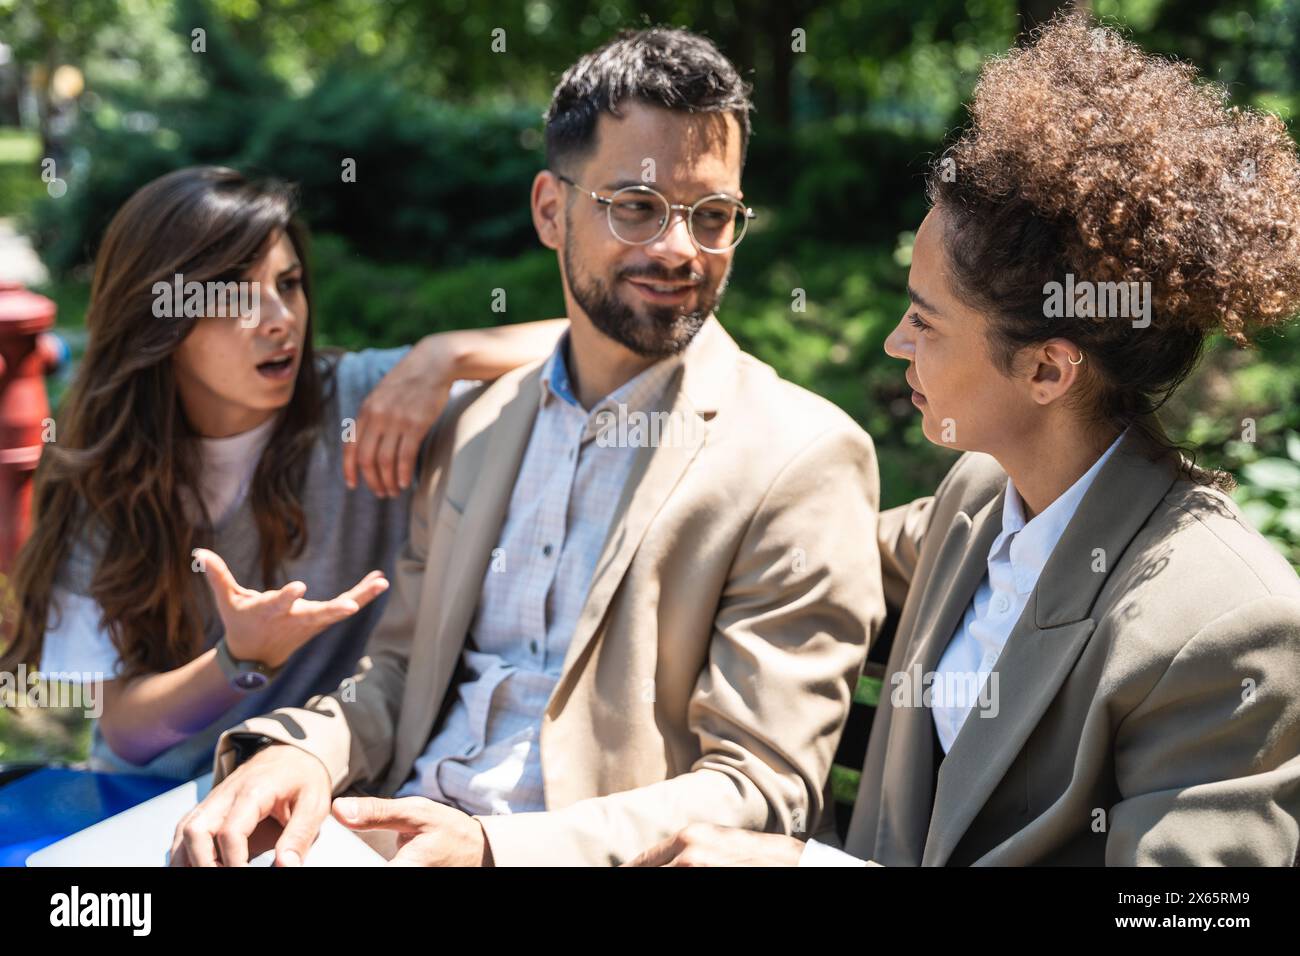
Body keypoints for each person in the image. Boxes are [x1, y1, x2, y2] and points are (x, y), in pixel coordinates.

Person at [169, 27, 885, 867]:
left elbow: (759, 787)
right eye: (637, 207)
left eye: (713, 216)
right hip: (379, 836)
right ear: (551, 209)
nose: (679, 249)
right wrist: (302, 751)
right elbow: (400, 669)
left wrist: (491, 848)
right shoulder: (478, 425)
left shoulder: (803, 456)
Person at [629, 13, 1300, 867]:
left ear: (1049, 371)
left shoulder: (1227, 626)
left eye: (924, 321)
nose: (894, 344)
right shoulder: (982, 498)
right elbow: (783, 553)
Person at [1, 165, 564, 780]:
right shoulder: (98, 469)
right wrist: (240, 659)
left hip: (331, 785)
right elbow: (125, 734)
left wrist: (446, 353)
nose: (280, 319)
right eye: (238, 294)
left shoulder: (367, 402)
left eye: (289, 284)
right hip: (149, 801)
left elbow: (594, 342)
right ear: (160, 316)